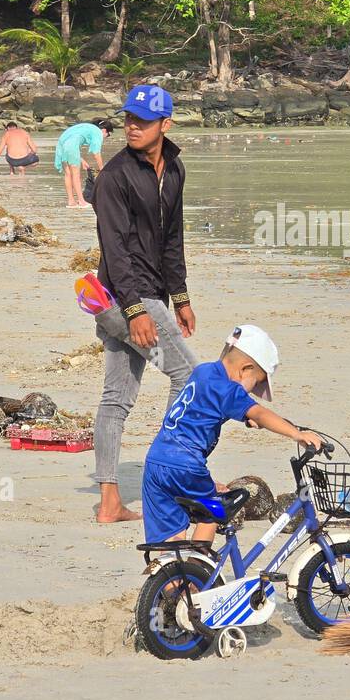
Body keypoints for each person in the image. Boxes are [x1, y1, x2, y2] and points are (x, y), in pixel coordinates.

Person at [90, 86, 195, 523]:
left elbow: (172, 237)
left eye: (143, 120)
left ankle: (110, 502)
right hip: (121, 297)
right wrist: (135, 312)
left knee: (116, 398)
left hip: (146, 295)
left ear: (164, 125)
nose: (132, 126)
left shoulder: (173, 169)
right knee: (189, 376)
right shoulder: (114, 176)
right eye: (129, 118)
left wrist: (182, 296)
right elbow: (113, 247)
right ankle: (168, 476)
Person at [142, 324, 323, 544]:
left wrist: (244, 417)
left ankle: (173, 575)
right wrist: (297, 434)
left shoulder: (203, 372)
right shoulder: (229, 390)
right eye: (254, 385)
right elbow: (259, 412)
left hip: (156, 461)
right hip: (186, 464)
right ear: (245, 369)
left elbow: (205, 408)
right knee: (212, 513)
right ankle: (200, 569)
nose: (249, 393)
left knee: (170, 538)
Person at [55, 119, 114, 208]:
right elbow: (96, 153)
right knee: (76, 175)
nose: (106, 137)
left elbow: (71, 140)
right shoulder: (97, 132)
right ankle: (81, 201)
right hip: (71, 145)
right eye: (108, 135)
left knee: (68, 174)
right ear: (105, 130)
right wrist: (102, 169)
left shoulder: (87, 127)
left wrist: (81, 160)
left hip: (61, 144)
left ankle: (71, 201)